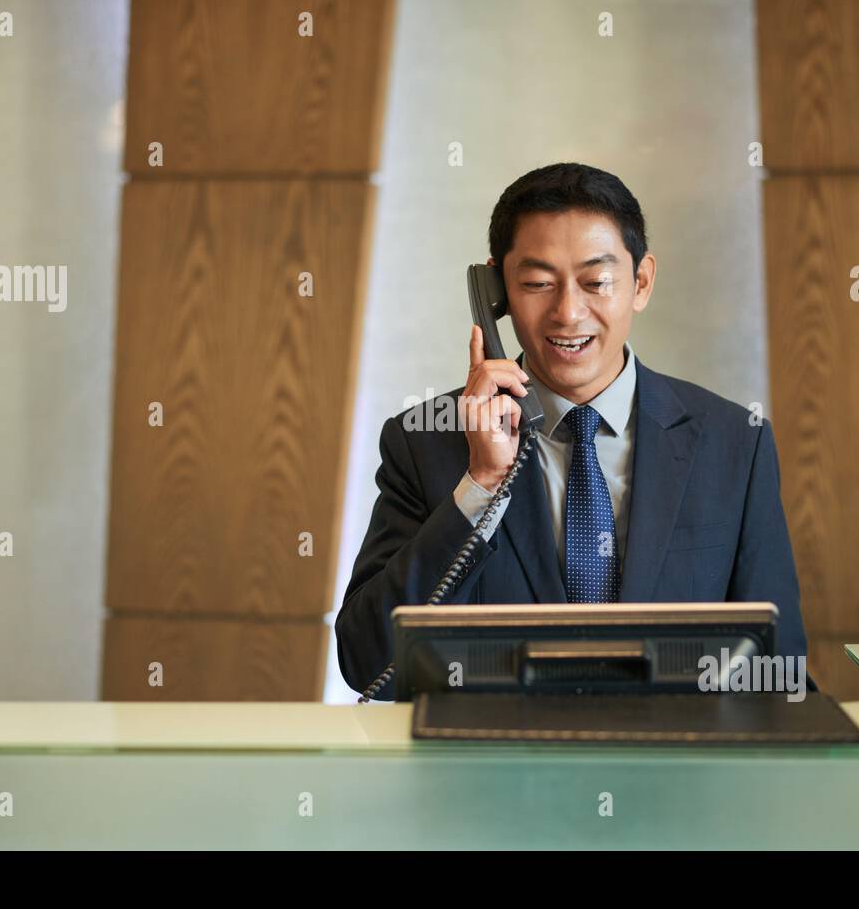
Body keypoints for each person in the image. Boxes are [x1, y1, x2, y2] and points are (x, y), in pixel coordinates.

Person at [336, 162, 805, 699]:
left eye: (596, 282)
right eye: (537, 284)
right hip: (489, 774)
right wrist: (480, 484)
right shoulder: (424, 442)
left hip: (673, 772)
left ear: (641, 282)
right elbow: (367, 661)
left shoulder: (735, 444)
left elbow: (779, 670)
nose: (567, 312)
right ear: (496, 292)